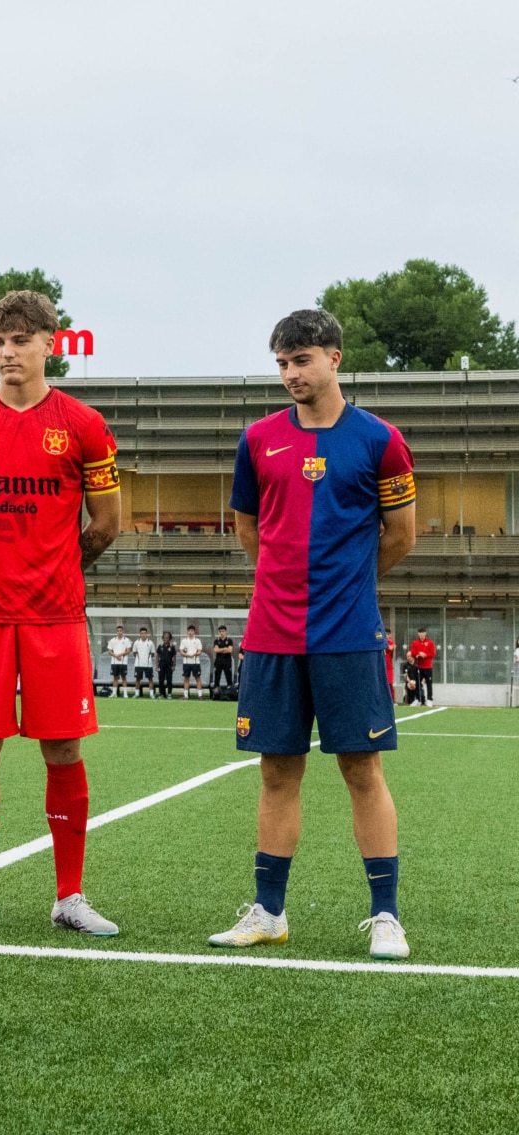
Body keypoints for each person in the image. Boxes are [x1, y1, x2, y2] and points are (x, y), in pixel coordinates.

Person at [208, 309, 417, 961]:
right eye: (281, 363)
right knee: (277, 770)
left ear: (333, 358)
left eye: (301, 360)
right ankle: (269, 910)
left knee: (362, 768)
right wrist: (286, 582)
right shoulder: (258, 439)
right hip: (272, 633)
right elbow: (248, 526)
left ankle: (385, 915)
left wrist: (348, 583)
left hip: (349, 633)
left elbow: (402, 534)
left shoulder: (381, 440)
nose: (290, 374)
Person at [0, 290, 124, 937]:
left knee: (61, 747)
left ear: (49, 343)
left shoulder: (84, 426)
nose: (7, 352)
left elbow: (107, 523)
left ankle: (70, 895)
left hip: (56, 615)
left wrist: (60, 570)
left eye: (20, 340)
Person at [406, 627, 437, 705]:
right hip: (418, 666)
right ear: (418, 634)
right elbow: (413, 652)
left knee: (429, 683)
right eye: (420, 633)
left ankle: (429, 699)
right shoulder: (415, 643)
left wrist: (425, 655)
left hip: (427, 666)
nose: (421, 634)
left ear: (425, 633)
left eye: (423, 632)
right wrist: (419, 654)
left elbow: (432, 653)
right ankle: (418, 699)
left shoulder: (430, 642)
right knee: (418, 683)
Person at [178, 625, 205, 698]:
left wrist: (195, 654)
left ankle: (200, 695)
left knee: (197, 678)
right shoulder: (184, 641)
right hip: (186, 662)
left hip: (195, 663)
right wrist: (187, 655)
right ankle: (185, 695)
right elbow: (181, 651)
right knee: (186, 678)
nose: (190, 632)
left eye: (192, 631)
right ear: (187, 632)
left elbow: (199, 651)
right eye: (189, 631)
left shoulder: (197, 641)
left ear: (194, 632)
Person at [106, 627, 132, 696]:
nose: (119, 632)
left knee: (124, 677)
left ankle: (125, 694)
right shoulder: (113, 640)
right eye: (118, 631)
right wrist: (115, 655)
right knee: (115, 677)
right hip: (114, 662)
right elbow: (109, 651)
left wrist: (120, 654)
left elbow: (128, 650)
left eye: (120, 631)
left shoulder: (126, 640)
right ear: (116, 632)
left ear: (123, 631)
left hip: (123, 662)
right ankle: (114, 693)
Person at [210, 626, 236, 695]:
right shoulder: (216, 641)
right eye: (220, 631)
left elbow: (230, 650)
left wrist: (220, 649)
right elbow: (216, 650)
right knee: (217, 678)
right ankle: (216, 694)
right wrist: (224, 649)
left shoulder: (229, 640)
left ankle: (230, 693)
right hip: (218, 662)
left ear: (226, 632)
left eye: (223, 631)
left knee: (228, 678)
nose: (221, 633)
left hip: (227, 662)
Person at [132, 626, 156, 698]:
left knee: (150, 679)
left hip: (148, 665)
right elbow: (134, 653)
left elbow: (152, 653)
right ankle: (136, 693)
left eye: (144, 633)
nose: (143, 635)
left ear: (147, 634)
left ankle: (151, 694)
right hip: (138, 664)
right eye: (142, 633)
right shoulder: (136, 642)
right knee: (137, 679)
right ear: (140, 634)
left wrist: (147, 658)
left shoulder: (150, 643)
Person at [156, 631, 178, 699]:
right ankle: (161, 694)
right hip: (161, 665)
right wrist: (157, 665)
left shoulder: (172, 647)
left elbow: (174, 656)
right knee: (161, 680)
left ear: (170, 639)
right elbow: (157, 655)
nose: (166, 639)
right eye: (164, 638)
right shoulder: (160, 646)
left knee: (169, 680)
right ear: (163, 638)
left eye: (167, 638)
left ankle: (169, 694)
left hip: (169, 665)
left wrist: (174, 665)